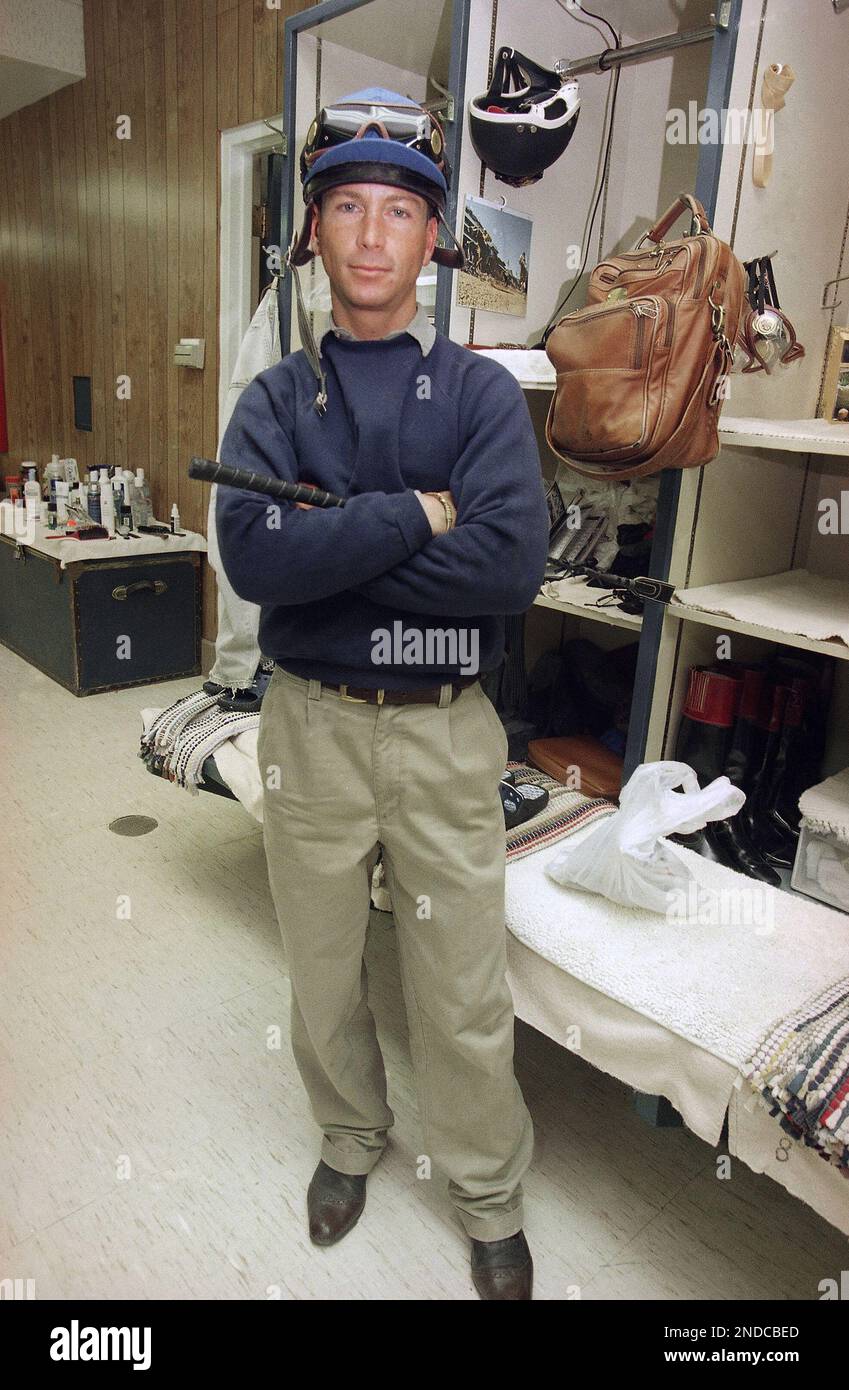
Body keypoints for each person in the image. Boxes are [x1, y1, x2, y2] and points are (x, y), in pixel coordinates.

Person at [215, 87, 550, 1300]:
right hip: (308, 724)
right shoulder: (272, 400)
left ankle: (487, 1192)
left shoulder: (477, 397)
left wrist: (334, 535)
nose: (369, 233)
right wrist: (417, 514)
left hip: (445, 734)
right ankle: (352, 1139)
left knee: (461, 983)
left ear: (431, 236)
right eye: (345, 206)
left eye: (397, 209)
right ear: (314, 230)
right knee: (319, 967)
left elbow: (510, 566)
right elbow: (256, 559)